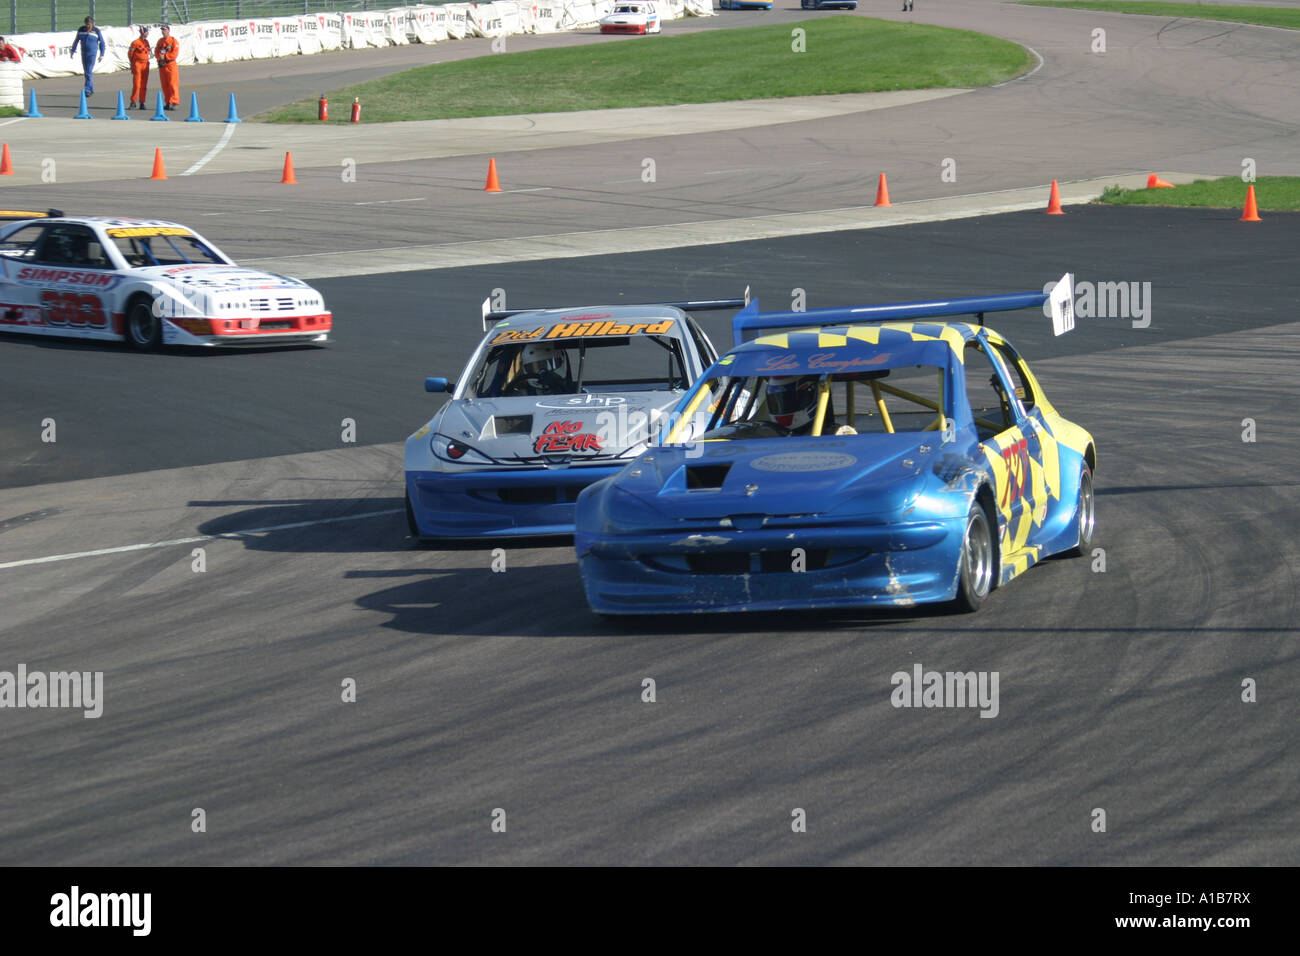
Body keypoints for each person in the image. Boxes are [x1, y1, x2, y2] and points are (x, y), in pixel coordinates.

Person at [503, 343, 572, 396]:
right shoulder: (520, 398)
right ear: (525, 369)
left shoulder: (578, 395)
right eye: (535, 367)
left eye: (547, 365)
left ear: (563, 362)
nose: (543, 372)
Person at [70, 17, 105, 96]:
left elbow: (102, 43)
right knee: (86, 72)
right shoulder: (81, 30)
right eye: (86, 24)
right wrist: (73, 50)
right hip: (83, 53)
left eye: (89, 24)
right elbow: (76, 40)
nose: (87, 26)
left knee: (89, 71)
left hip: (92, 54)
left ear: (92, 24)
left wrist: (102, 54)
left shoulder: (96, 31)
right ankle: (91, 88)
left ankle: (87, 90)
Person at [154, 23, 180, 111]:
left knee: (172, 84)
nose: (163, 32)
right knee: (165, 85)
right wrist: (159, 59)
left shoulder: (173, 41)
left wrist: (165, 57)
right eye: (162, 30)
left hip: (171, 65)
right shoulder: (160, 41)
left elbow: (175, 54)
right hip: (162, 65)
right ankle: (168, 102)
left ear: (168, 30)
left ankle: (175, 102)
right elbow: (156, 51)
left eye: (165, 30)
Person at [128, 26, 151, 110]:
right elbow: (130, 53)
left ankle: (142, 102)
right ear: (142, 33)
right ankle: (133, 101)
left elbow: (148, 52)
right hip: (137, 64)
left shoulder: (147, 42)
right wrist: (133, 63)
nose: (147, 33)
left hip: (146, 64)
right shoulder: (135, 42)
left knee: (144, 85)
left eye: (147, 32)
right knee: (137, 84)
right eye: (146, 32)